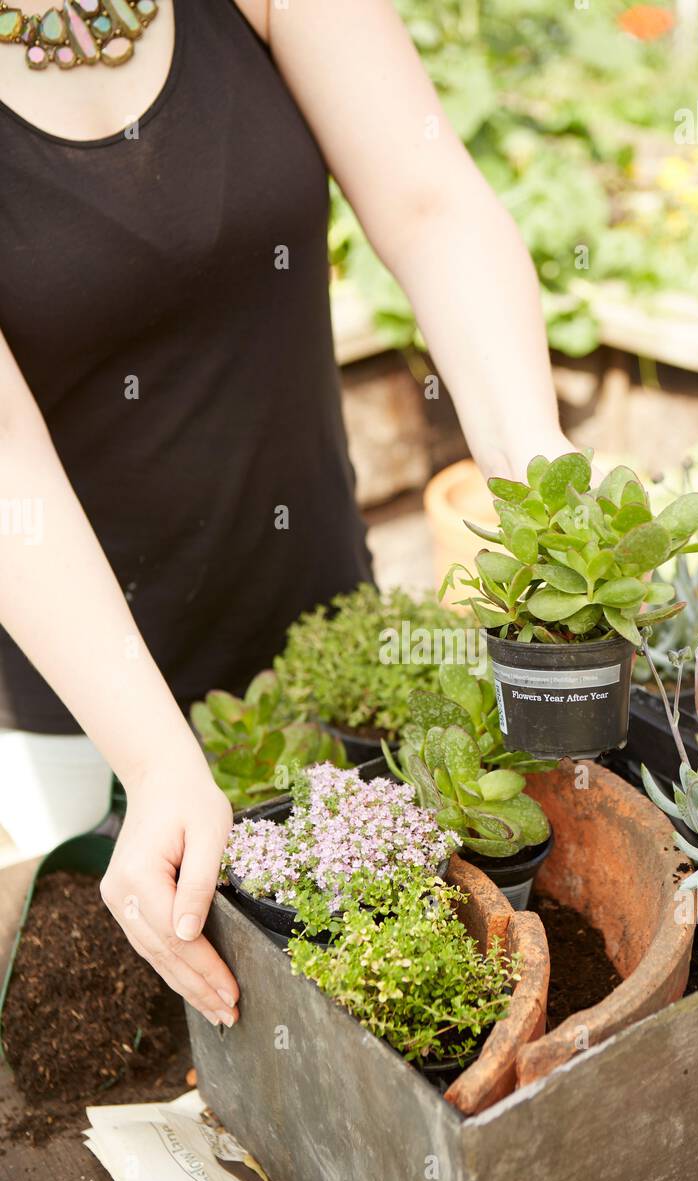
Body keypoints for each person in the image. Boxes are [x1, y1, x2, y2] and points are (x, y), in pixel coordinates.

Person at [0, 0, 579, 1027]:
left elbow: (428, 202)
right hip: (76, 731)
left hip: (328, 642)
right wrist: (151, 755)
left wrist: (544, 493)